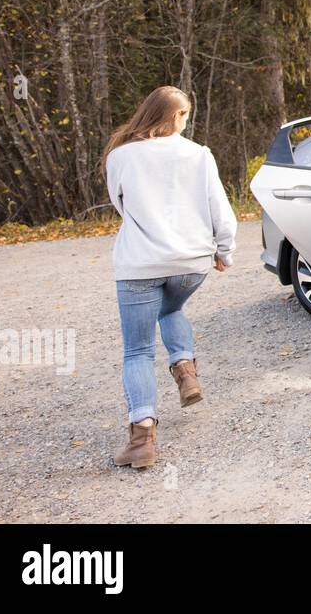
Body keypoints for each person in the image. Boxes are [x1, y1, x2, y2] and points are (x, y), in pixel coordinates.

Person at [101, 85, 237, 469]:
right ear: (176, 116)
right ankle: (184, 367)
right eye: (185, 117)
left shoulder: (121, 156)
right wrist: (223, 251)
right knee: (171, 309)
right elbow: (221, 209)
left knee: (138, 349)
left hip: (140, 265)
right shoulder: (199, 155)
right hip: (191, 264)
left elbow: (121, 206)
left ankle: (142, 438)